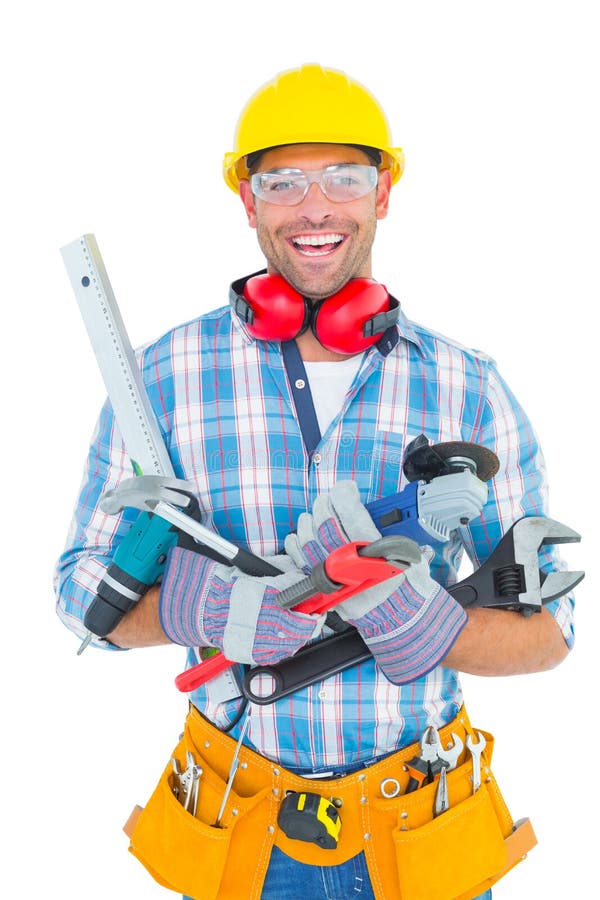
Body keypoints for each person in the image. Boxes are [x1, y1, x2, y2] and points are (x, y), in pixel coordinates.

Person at [55, 64, 574, 900]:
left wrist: (431, 625)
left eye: (344, 177)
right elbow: (79, 595)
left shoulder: (467, 387)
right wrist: (201, 611)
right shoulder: (162, 377)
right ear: (247, 199)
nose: (315, 206)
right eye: (283, 182)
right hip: (235, 817)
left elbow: (549, 633)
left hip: (421, 822)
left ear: (384, 191)